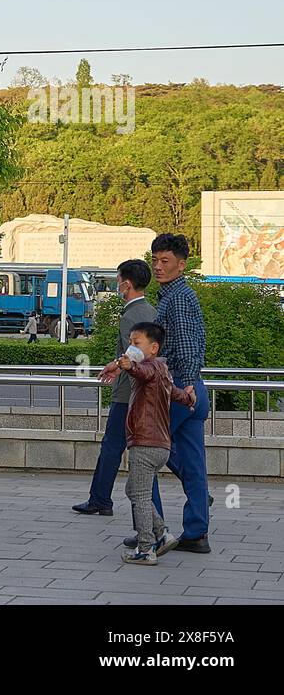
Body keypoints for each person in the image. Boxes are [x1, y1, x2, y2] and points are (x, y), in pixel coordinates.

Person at [137, 233, 211, 553]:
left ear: (181, 265)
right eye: (155, 260)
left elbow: (187, 344)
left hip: (179, 388)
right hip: (192, 389)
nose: (158, 266)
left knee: (144, 456)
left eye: (165, 261)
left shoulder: (177, 297)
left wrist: (186, 385)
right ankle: (196, 532)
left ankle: (153, 531)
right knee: (193, 464)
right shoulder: (175, 294)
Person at [108, 322, 195, 565]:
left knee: (141, 496)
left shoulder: (149, 368)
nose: (131, 347)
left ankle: (146, 548)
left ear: (153, 347)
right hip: (160, 445)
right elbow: (176, 393)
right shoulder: (163, 370)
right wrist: (189, 398)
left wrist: (129, 365)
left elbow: (141, 372)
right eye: (130, 343)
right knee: (134, 491)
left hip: (145, 443)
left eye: (137, 344)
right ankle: (162, 534)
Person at [73, 259, 156, 514]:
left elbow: (132, 355)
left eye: (118, 281)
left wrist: (117, 366)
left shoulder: (129, 316)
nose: (117, 285)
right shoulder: (153, 311)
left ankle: (100, 499)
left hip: (127, 392)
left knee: (112, 445)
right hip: (150, 390)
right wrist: (117, 364)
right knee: (156, 447)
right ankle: (197, 488)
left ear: (127, 284)